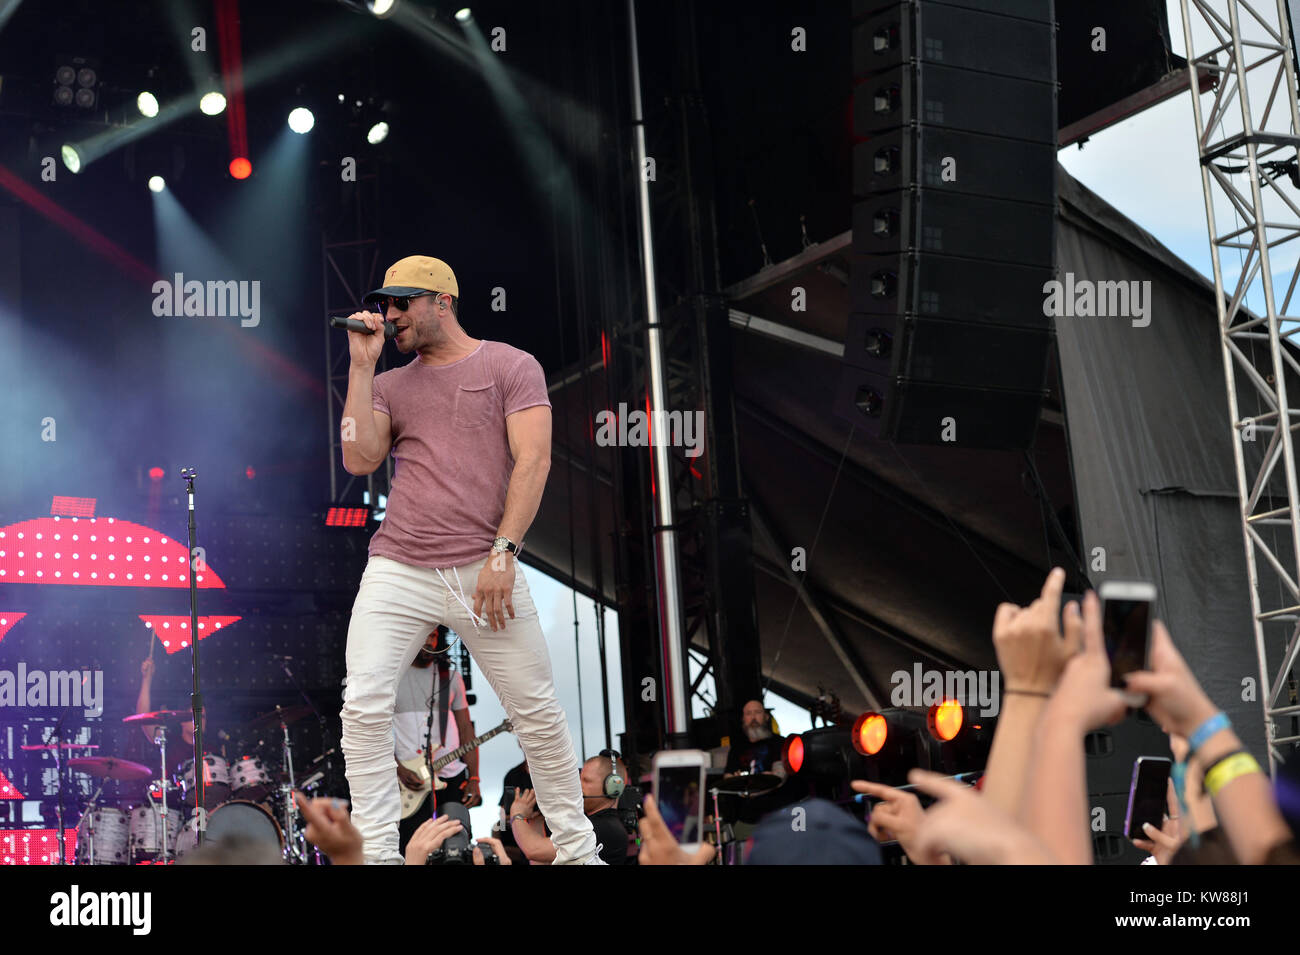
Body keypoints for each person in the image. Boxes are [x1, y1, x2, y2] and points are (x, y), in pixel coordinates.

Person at [338, 255, 596, 864]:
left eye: (403, 303)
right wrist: (360, 367)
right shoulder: (389, 383)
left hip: (482, 567)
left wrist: (505, 551)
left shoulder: (510, 365)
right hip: (399, 566)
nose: (391, 314)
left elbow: (533, 462)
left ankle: (581, 855)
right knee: (363, 706)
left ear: (442, 302)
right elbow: (358, 459)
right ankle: (376, 855)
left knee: (536, 711)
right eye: (386, 303)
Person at [394, 626, 481, 854]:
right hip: (409, 777)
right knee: (411, 845)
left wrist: (474, 777)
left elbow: (465, 728)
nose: (429, 643)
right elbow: (376, 732)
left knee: (455, 843)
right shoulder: (393, 678)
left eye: (433, 636)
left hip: (449, 773)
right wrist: (397, 768)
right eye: (423, 637)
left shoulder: (450, 677)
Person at [508, 754, 629, 864]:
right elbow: (537, 859)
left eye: (586, 780)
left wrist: (517, 815)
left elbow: (534, 850)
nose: (577, 784)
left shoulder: (606, 828)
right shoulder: (588, 823)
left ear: (613, 788)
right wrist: (538, 818)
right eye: (579, 778)